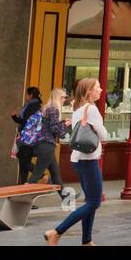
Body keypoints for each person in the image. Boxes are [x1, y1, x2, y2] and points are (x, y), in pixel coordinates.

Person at [45, 77, 107, 245]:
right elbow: (104, 136)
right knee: (94, 202)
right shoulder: (91, 110)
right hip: (89, 160)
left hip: (79, 159)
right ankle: (56, 232)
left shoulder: (78, 109)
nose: (101, 90)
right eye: (98, 87)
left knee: (90, 202)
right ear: (89, 91)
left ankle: (87, 241)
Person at [25, 87, 72, 205]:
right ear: (59, 97)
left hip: (42, 144)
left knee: (55, 173)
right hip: (47, 146)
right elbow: (54, 129)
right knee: (36, 175)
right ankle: (23, 200)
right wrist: (65, 125)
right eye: (64, 98)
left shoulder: (46, 108)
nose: (64, 100)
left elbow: (49, 126)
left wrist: (61, 123)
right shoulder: (54, 110)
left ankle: (66, 199)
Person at [12, 86, 43, 184]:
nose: (25, 96)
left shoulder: (31, 106)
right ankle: (22, 184)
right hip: (32, 136)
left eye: (26, 94)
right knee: (24, 158)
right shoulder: (36, 105)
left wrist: (14, 118)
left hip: (28, 137)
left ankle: (42, 176)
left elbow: (26, 121)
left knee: (23, 160)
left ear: (30, 95)